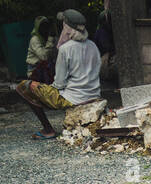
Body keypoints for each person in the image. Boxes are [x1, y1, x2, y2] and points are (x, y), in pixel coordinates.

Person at [14, 9, 101, 140]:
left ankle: (48, 129)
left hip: (73, 99)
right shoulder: (93, 45)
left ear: (66, 27)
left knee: (24, 86)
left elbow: (59, 83)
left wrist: (44, 92)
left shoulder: (66, 49)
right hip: (94, 95)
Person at [26, 15, 57, 84]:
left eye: (46, 27)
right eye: (42, 27)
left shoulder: (50, 38)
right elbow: (44, 57)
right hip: (35, 71)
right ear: (38, 28)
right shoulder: (34, 39)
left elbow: (56, 54)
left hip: (48, 69)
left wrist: (53, 38)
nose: (45, 29)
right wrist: (50, 39)